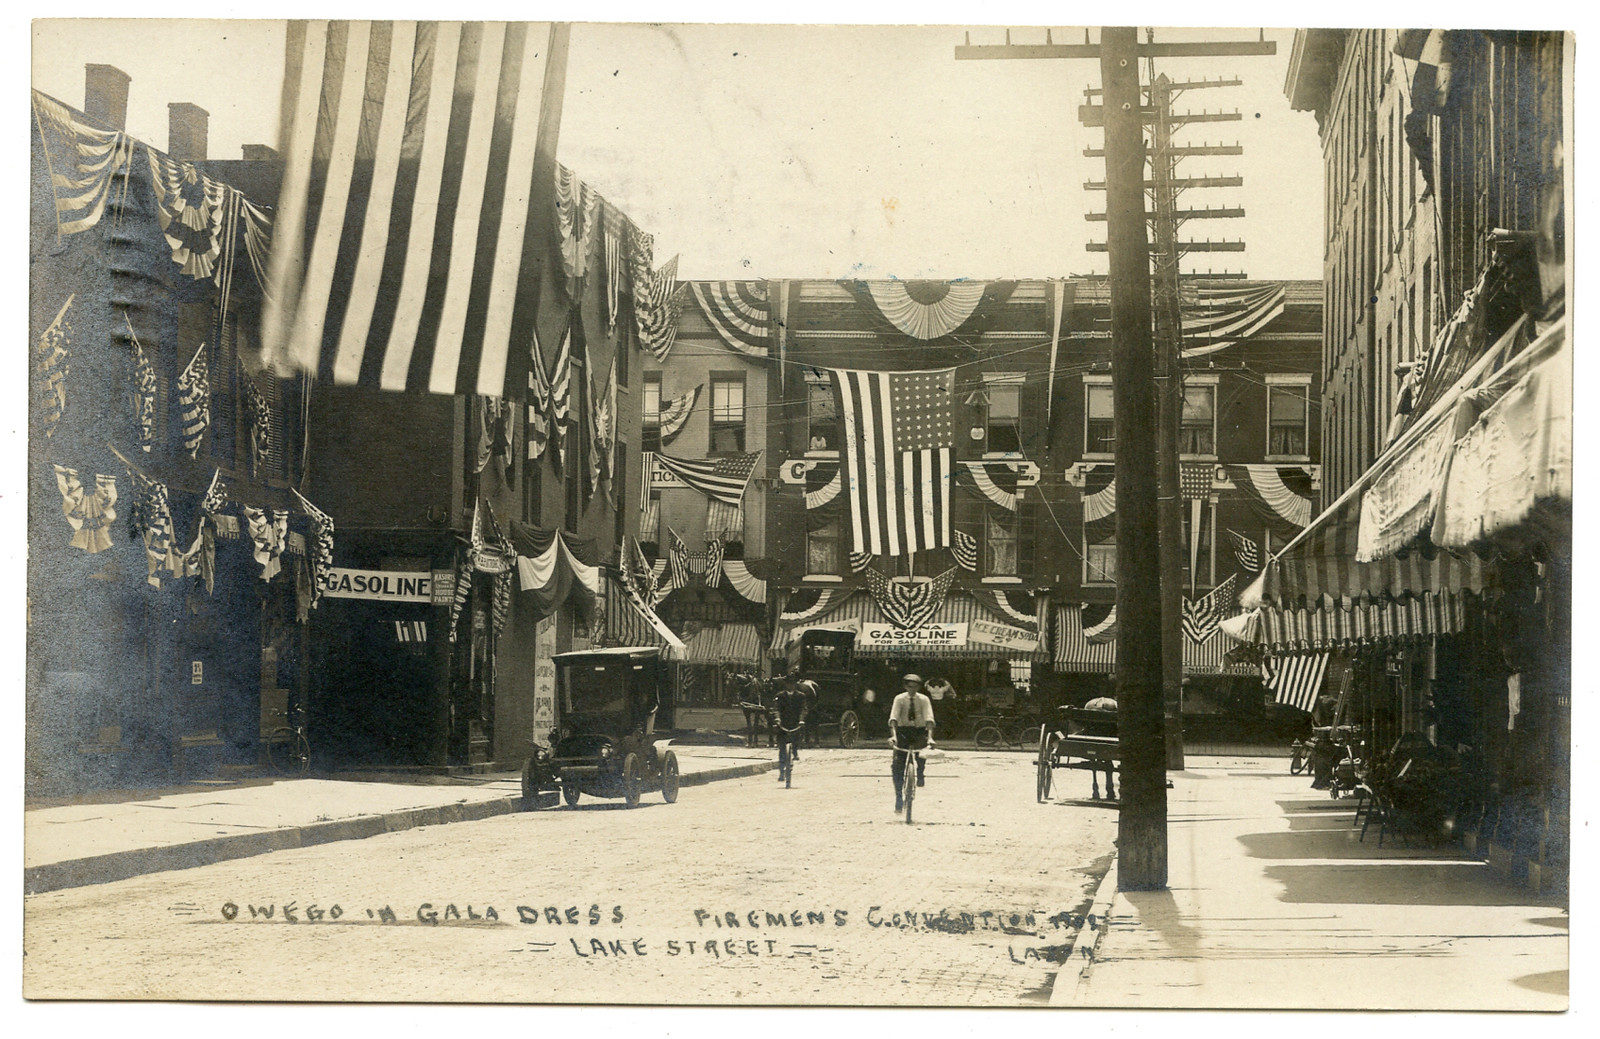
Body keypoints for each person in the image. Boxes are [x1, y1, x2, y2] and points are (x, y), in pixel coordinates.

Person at [888, 672, 936, 812]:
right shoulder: (899, 699)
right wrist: (894, 737)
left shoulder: (924, 699)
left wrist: (931, 737)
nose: (912, 689)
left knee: (921, 755)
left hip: (919, 731)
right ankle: (898, 797)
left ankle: (920, 773)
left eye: (915, 687)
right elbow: (893, 719)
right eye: (909, 686)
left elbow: (929, 719)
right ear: (905, 686)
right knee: (897, 764)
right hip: (903, 732)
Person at [1078, 695, 1118, 800]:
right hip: (1109, 737)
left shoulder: (1089, 704)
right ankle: (1110, 789)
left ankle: (1095, 789)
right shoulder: (1114, 703)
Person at [770, 672, 809, 775]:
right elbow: (776, 708)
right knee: (782, 748)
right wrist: (777, 719)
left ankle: (794, 753)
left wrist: (801, 720)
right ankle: (781, 771)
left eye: (792, 684)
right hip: (783, 725)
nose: (790, 686)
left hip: (796, 724)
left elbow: (803, 709)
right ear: (785, 684)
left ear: (795, 685)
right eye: (788, 684)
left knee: (795, 744)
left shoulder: (801, 696)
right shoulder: (780, 696)